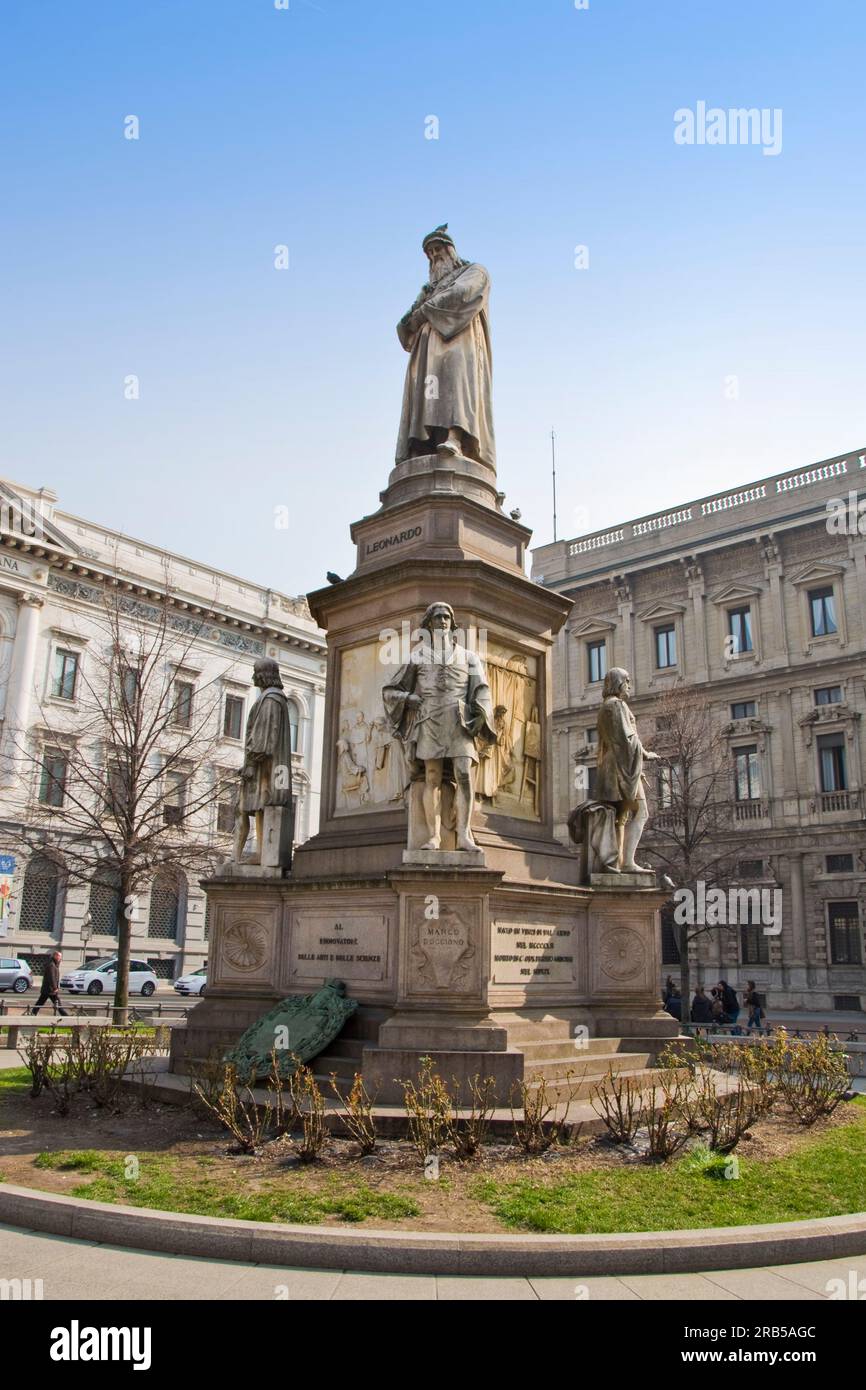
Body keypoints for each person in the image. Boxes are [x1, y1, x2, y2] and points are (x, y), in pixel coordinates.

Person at [31, 951, 67, 1016]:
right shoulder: (51, 965)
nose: (60, 958)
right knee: (57, 1003)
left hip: (48, 989)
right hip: (50, 989)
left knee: (40, 1002)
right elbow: (52, 977)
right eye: (60, 956)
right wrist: (55, 987)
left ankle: (33, 1013)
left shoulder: (54, 964)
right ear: (55, 956)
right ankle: (66, 1016)